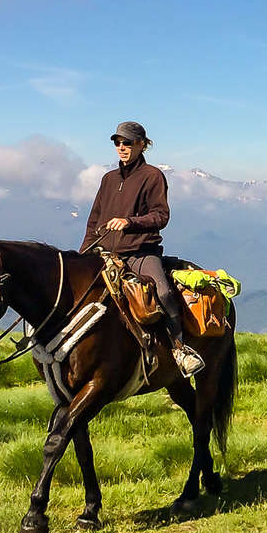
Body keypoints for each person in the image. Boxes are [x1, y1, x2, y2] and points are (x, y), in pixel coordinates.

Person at [80, 121, 205, 378]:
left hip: (140, 252)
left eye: (127, 142)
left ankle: (180, 349)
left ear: (141, 144)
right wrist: (83, 255)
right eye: (117, 142)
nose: (121, 147)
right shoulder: (108, 179)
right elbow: (94, 220)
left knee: (163, 292)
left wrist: (130, 222)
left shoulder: (152, 176)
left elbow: (161, 216)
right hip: (105, 253)